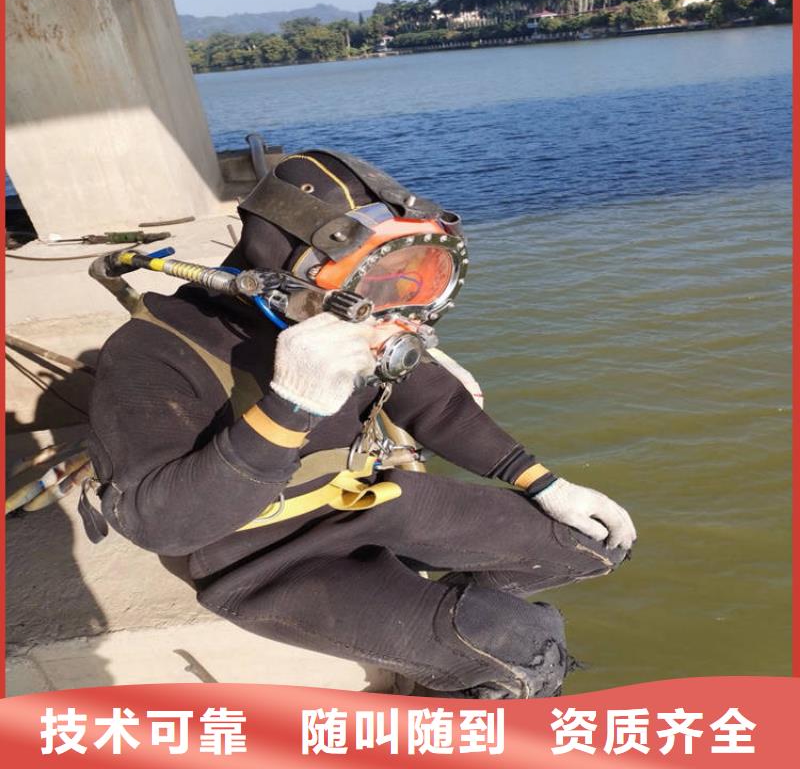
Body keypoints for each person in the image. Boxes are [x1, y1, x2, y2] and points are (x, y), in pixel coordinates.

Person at [87, 149, 636, 699]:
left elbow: (434, 405)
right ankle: (456, 669)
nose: (390, 307)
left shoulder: (345, 315)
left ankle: (439, 621)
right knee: (522, 648)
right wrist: (291, 405)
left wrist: (545, 484)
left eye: (410, 283)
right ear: (298, 263)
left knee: (595, 541)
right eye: (375, 284)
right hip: (263, 558)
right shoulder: (150, 351)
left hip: (364, 503)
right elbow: (159, 526)